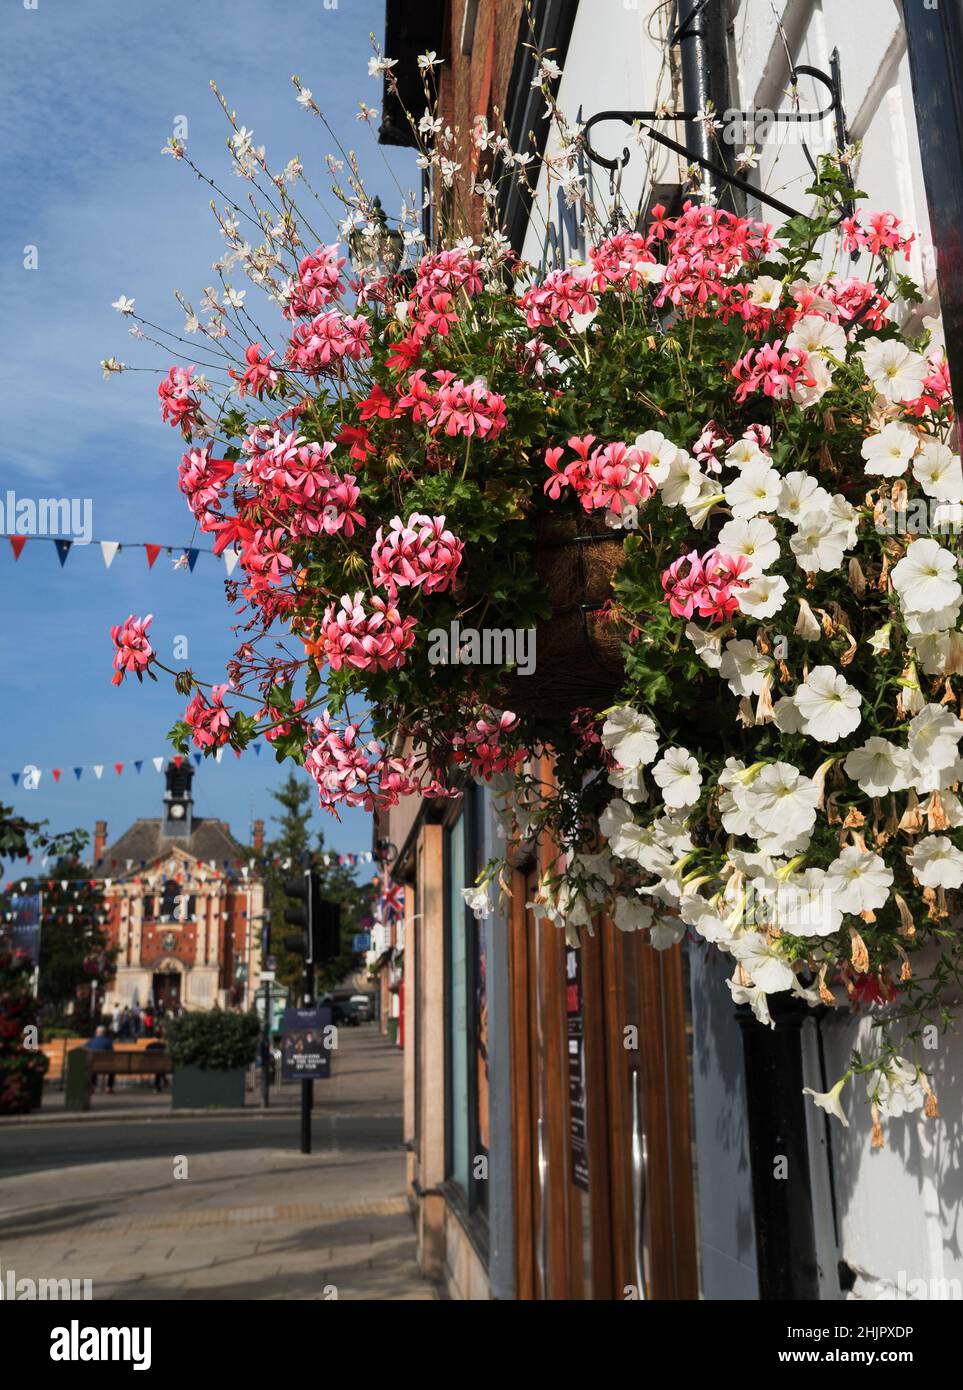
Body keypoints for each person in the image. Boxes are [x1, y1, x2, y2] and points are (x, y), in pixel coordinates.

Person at [85, 1025, 115, 1093]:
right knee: (112, 1069)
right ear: (104, 1033)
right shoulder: (108, 1041)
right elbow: (112, 1054)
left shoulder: (91, 1041)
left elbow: (83, 1048)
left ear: (97, 1032)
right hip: (105, 1066)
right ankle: (109, 1087)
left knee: (93, 1066)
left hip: (93, 1065)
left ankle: (92, 1086)